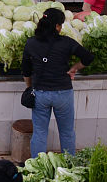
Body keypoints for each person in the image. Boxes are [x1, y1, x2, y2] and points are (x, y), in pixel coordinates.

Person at [22, 9, 94, 158]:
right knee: (67, 132)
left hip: (40, 94)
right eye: (60, 24)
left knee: (40, 133)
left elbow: (26, 70)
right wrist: (75, 68)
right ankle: (68, 166)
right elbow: (88, 57)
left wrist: (29, 87)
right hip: (63, 94)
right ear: (56, 26)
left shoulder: (31, 43)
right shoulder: (67, 43)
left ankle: (38, 167)